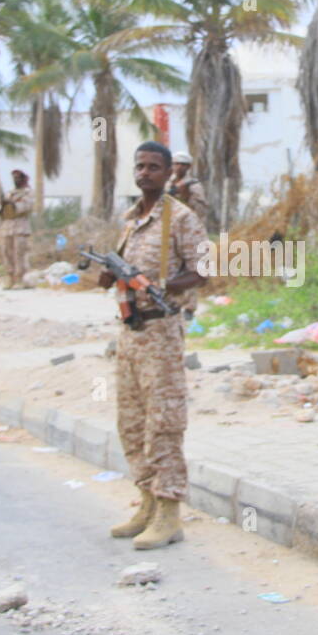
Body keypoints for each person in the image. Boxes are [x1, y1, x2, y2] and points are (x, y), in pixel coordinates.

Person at [99, 142, 207, 549]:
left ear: (167, 173)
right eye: (140, 166)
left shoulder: (180, 218)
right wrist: (112, 277)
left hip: (161, 331)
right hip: (130, 332)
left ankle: (168, 512)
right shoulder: (131, 219)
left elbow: (202, 271)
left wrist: (160, 285)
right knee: (131, 421)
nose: (145, 173)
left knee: (164, 421)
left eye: (153, 167)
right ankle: (145, 502)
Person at [0, 169, 34, 289]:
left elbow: (27, 206)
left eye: (18, 178)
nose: (15, 180)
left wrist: (13, 205)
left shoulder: (27, 192)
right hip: (7, 226)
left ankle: (20, 278)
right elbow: (1, 210)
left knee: (19, 252)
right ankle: (10, 277)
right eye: (14, 178)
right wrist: (3, 204)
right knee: (7, 252)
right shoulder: (9, 193)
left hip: (20, 226)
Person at [166, 151, 209, 225]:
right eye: (176, 164)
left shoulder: (195, 185)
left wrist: (186, 196)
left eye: (183, 164)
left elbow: (201, 211)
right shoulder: (166, 183)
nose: (179, 167)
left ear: (189, 167)